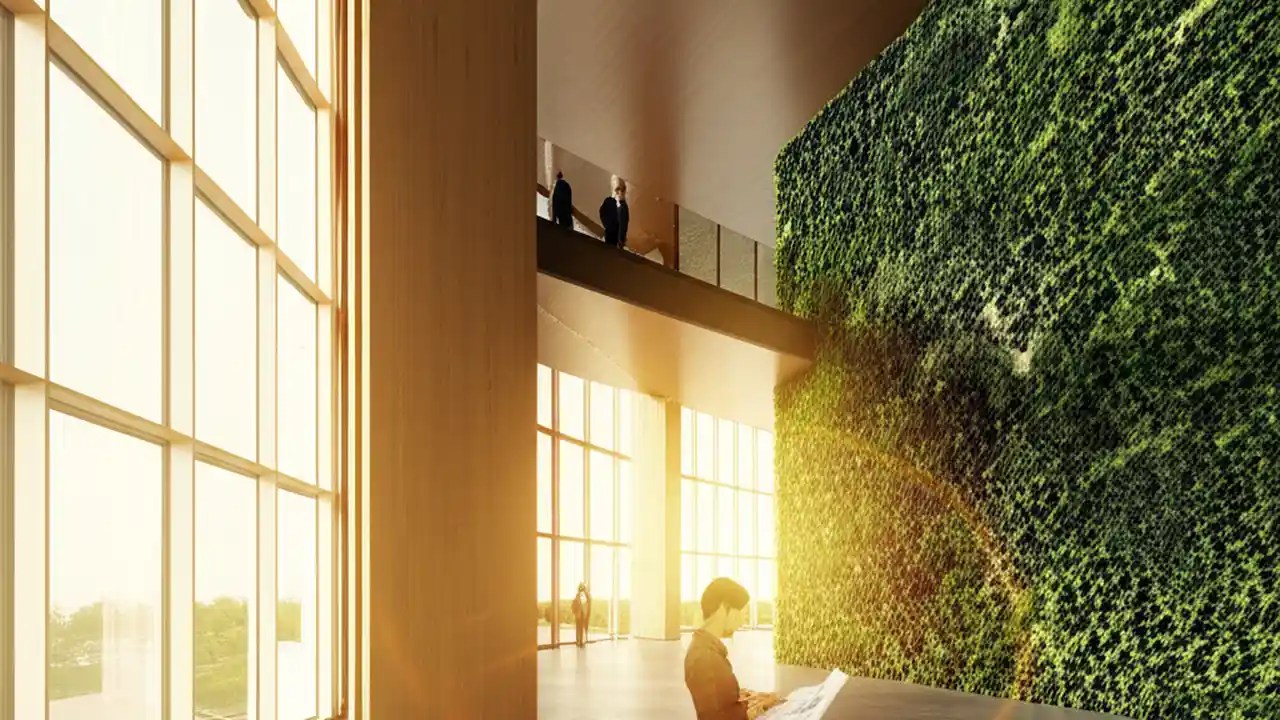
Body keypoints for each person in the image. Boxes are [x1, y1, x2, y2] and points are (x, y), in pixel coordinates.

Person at [685, 578, 782, 720]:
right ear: (724, 608)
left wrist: (748, 698)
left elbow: (716, 700)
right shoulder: (707, 658)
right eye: (742, 613)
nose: (742, 622)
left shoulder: (704, 648)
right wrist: (762, 707)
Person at [598, 177, 630, 248]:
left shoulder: (624, 207)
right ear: (612, 189)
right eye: (617, 189)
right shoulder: (609, 203)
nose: (620, 192)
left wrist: (621, 240)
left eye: (623, 189)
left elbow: (624, 225)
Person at [571, 582, 592, 648]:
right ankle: (580, 641)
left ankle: (581, 641)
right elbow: (574, 606)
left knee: (581, 628)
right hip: (580, 615)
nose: (582, 589)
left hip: (582, 615)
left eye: (583, 588)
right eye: (582, 588)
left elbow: (587, 605)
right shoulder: (578, 596)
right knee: (580, 628)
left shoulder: (585, 596)